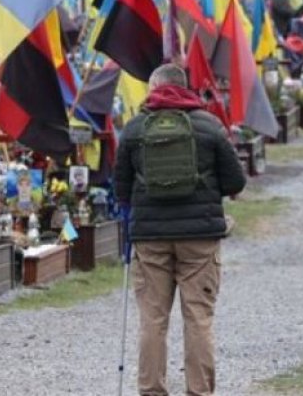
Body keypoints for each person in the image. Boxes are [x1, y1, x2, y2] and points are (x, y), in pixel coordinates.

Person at [115, 63, 246, 396]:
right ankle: (199, 391)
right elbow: (235, 181)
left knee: (153, 320)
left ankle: (151, 390)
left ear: (155, 88)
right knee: (198, 318)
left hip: (149, 239)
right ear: (184, 87)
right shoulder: (209, 125)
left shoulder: (133, 130)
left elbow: (120, 189)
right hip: (200, 239)